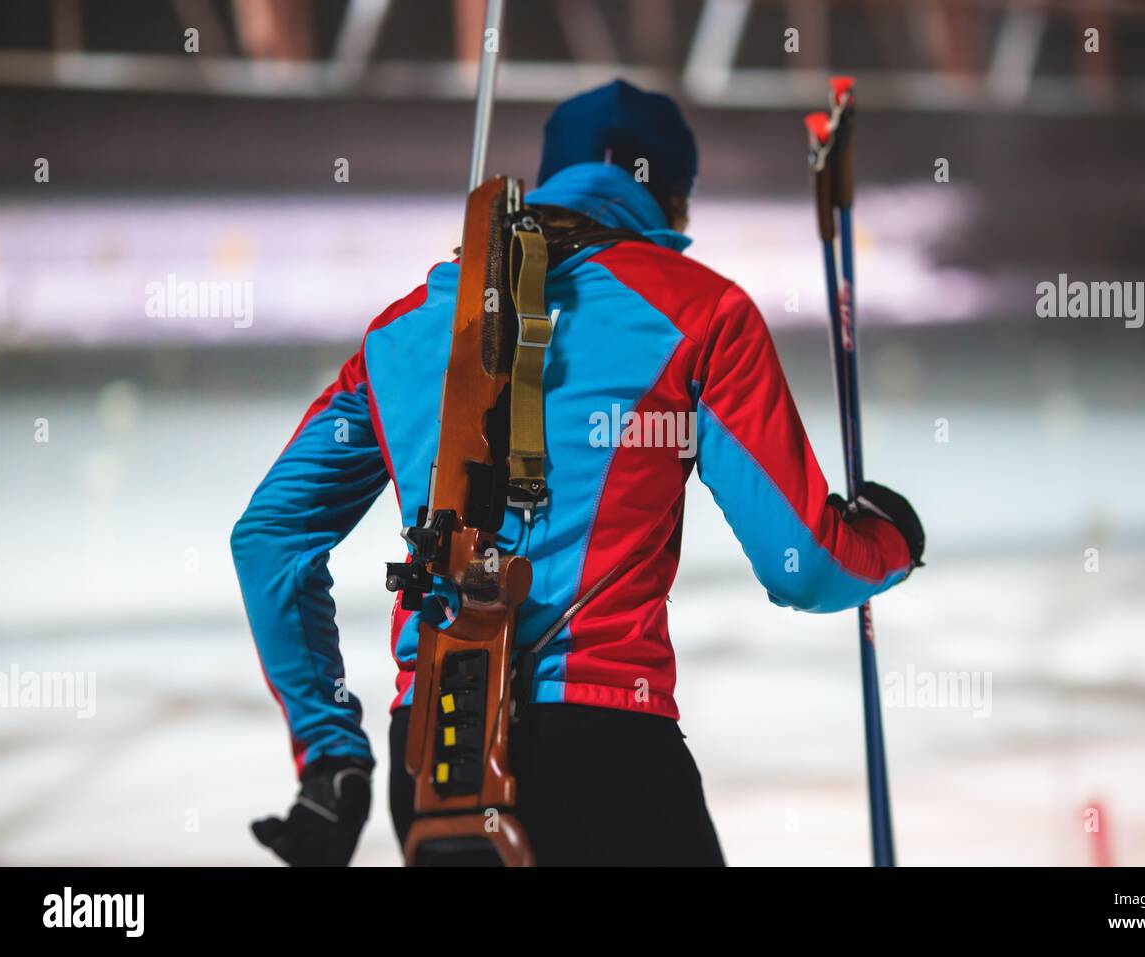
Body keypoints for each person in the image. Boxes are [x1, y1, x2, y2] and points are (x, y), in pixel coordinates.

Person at [232, 79, 924, 867]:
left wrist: (332, 756)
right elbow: (805, 565)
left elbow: (269, 538)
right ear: (673, 203)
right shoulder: (701, 313)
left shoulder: (405, 331)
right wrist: (893, 539)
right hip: (607, 751)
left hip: (433, 761)